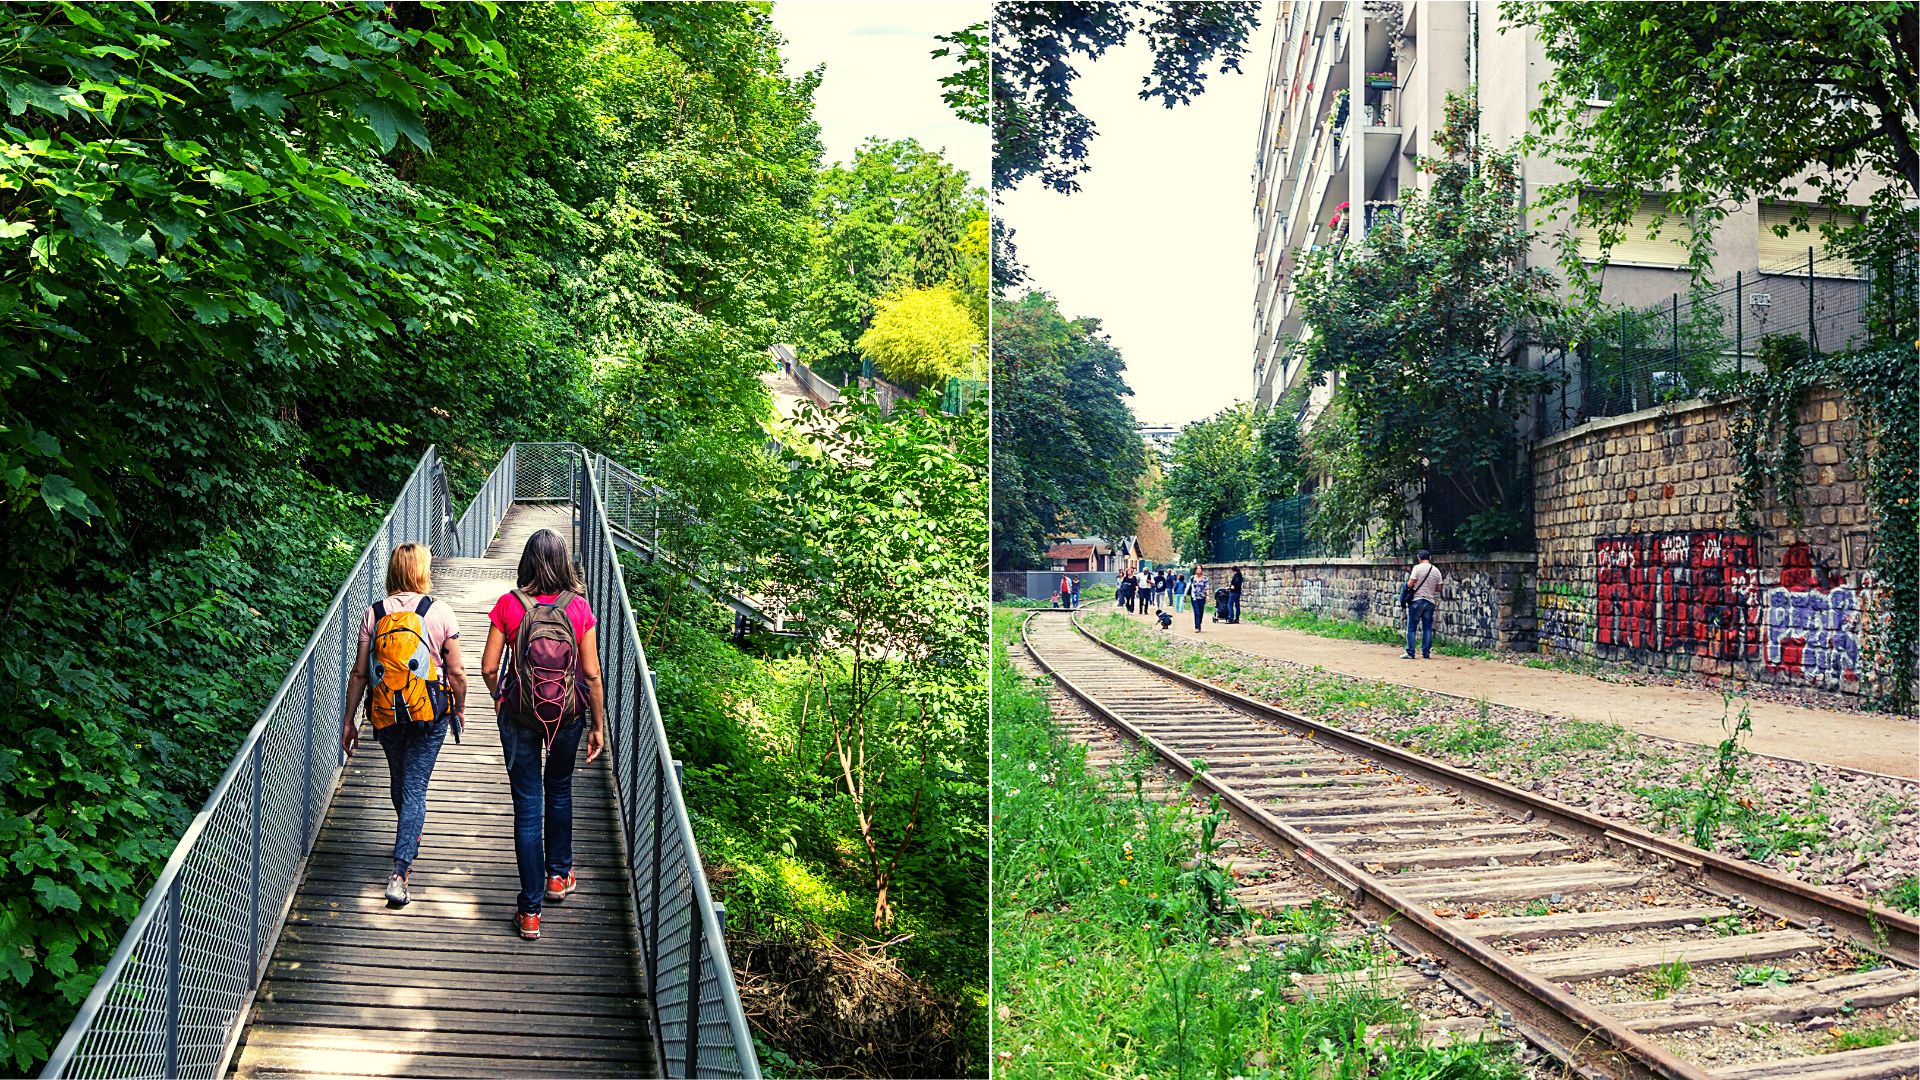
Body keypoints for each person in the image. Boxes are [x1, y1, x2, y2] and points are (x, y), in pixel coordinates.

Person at [481, 528, 608, 941]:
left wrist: (501, 699)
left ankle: (530, 911)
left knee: (527, 805)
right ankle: (558, 877)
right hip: (567, 716)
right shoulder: (580, 609)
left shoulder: (509, 605)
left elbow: (486, 666)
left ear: (526, 562)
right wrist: (598, 724)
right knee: (560, 790)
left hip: (519, 715)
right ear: (564, 564)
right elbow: (590, 674)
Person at [340, 543, 465, 908]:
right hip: (429, 713)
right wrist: (459, 708)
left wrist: (349, 720)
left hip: (386, 713)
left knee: (402, 782)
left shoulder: (373, 614)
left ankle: (406, 836)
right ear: (423, 571)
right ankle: (399, 873)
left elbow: (361, 672)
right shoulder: (439, 611)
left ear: (393, 572)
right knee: (414, 788)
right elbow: (455, 671)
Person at [1403, 549, 1444, 660]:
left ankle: (1410, 652)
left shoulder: (1417, 568)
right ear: (1429, 558)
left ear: (1419, 558)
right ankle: (1426, 653)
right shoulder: (1436, 570)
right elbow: (1439, 588)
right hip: (1430, 601)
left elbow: (1410, 584)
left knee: (1411, 628)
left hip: (1417, 600)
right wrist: (1430, 589)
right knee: (1427, 628)